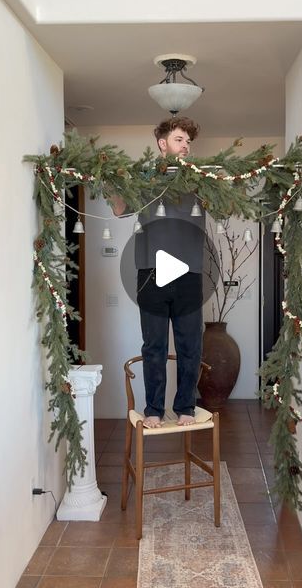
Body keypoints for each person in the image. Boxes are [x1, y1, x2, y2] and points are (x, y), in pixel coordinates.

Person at [111, 117, 205, 428]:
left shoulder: (201, 180)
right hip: (151, 272)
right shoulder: (144, 179)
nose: (185, 146)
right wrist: (113, 180)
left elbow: (229, 206)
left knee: (191, 345)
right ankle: (153, 410)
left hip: (189, 273)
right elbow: (118, 208)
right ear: (163, 144)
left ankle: (185, 408)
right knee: (154, 346)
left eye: (188, 142)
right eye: (179, 140)